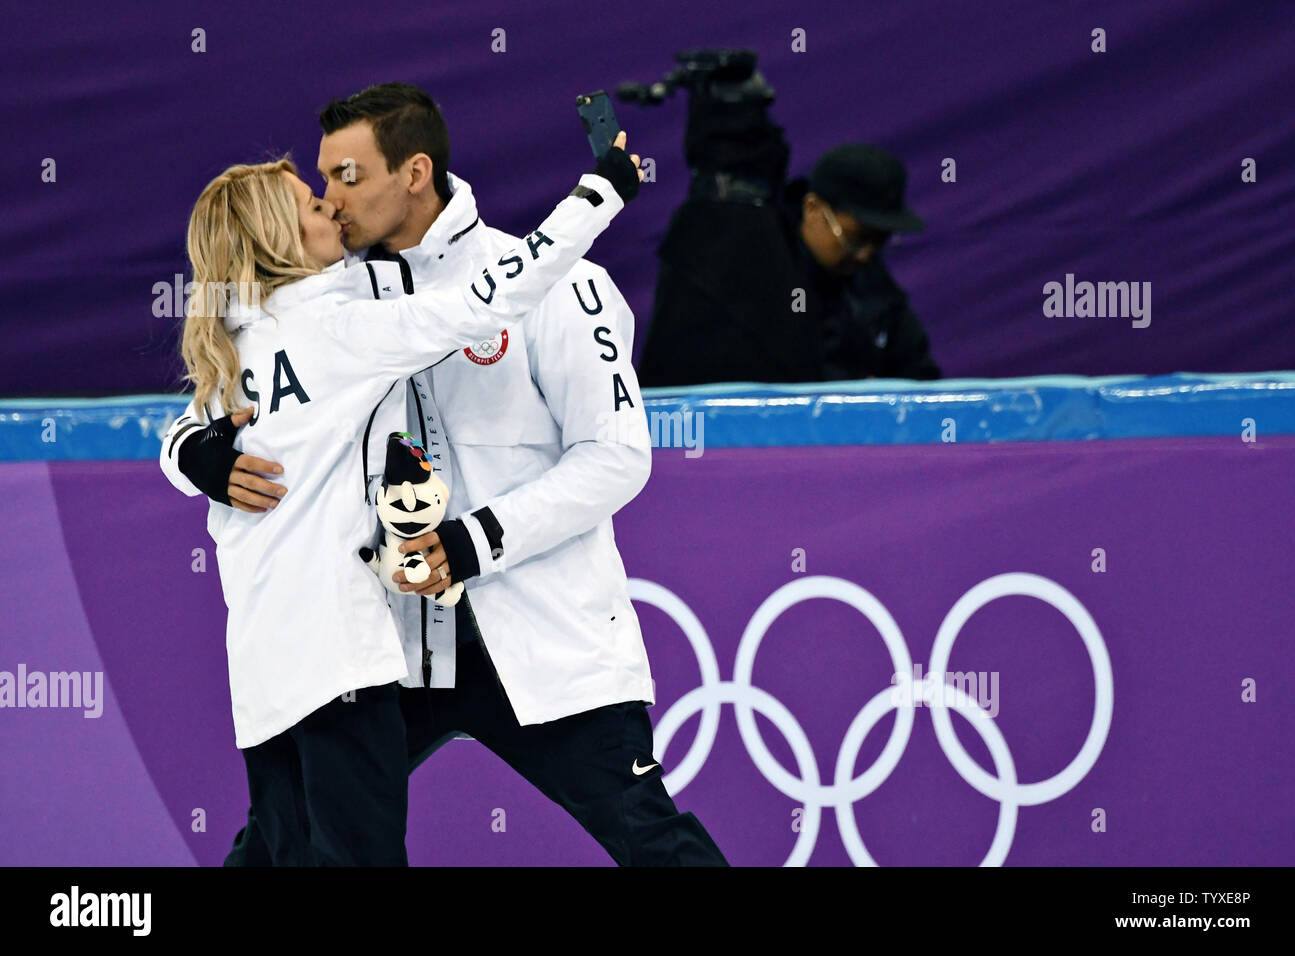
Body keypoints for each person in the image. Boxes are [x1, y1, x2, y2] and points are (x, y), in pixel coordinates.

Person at [162, 82, 728, 866]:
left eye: (347, 177)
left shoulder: (556, 279)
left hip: (533, 632)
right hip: (386, 647)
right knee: (276, 851)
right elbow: (222, 380)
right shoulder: (325, 296)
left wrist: (473, 542)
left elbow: (618, 456)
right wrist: (194, 451)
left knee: (649, 838)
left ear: (415, 172)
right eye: (321, 182)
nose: (330, 200)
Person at [636, 51, 942, 386]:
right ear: (813, 209)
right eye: (856, 237)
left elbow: (921, 380)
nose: (867, 254)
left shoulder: (875, 289)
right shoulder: (743, 248)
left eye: (879, 241)